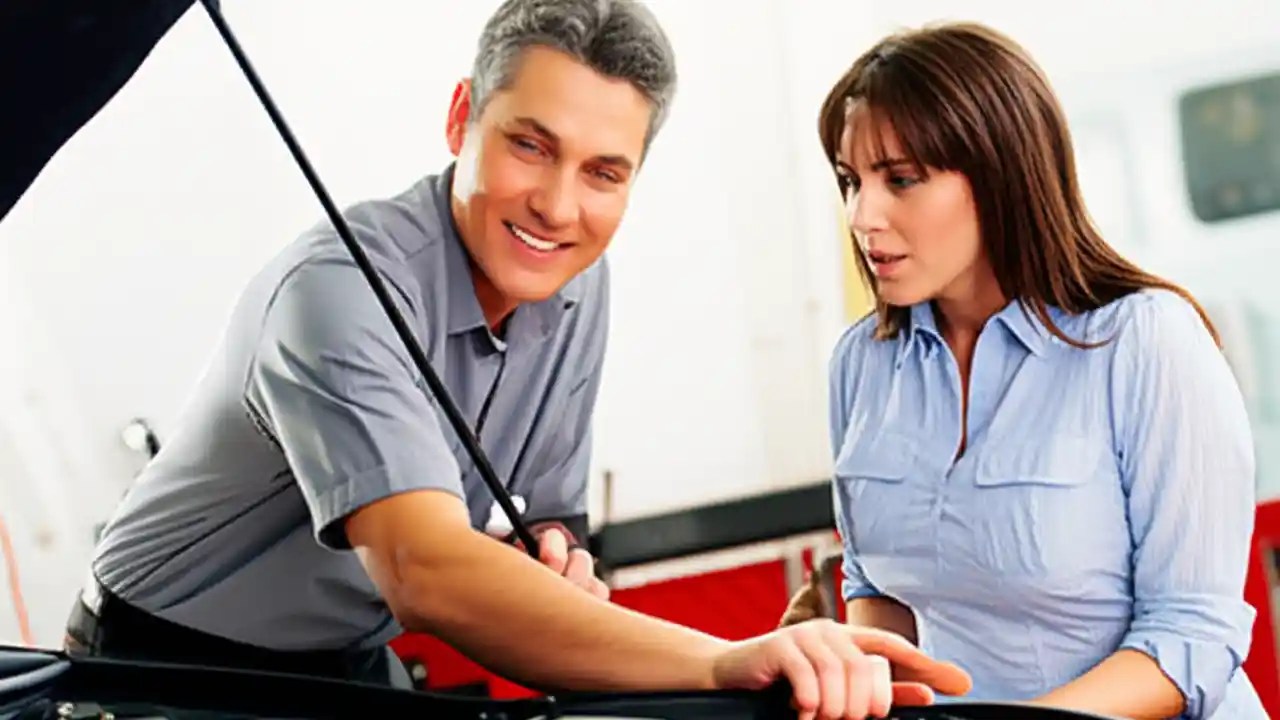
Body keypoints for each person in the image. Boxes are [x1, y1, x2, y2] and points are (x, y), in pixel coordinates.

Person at [64, 1, 971, 717]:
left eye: (603, 172)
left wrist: (554, 555)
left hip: (342, 663)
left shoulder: (576, 284)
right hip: (159, 668)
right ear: (463, 118)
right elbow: (428, 571)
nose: (557, 206)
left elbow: (543, 522)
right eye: (530, 146)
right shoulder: (335, 290)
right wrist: (720, 660)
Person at [792, 20, 1268, 719]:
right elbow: (878, 586)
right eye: (849, 181)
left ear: (999, 176)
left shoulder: (1146, 340)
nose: (862, 215)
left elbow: (1191, 634)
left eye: (901, 180)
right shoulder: (862, 363)